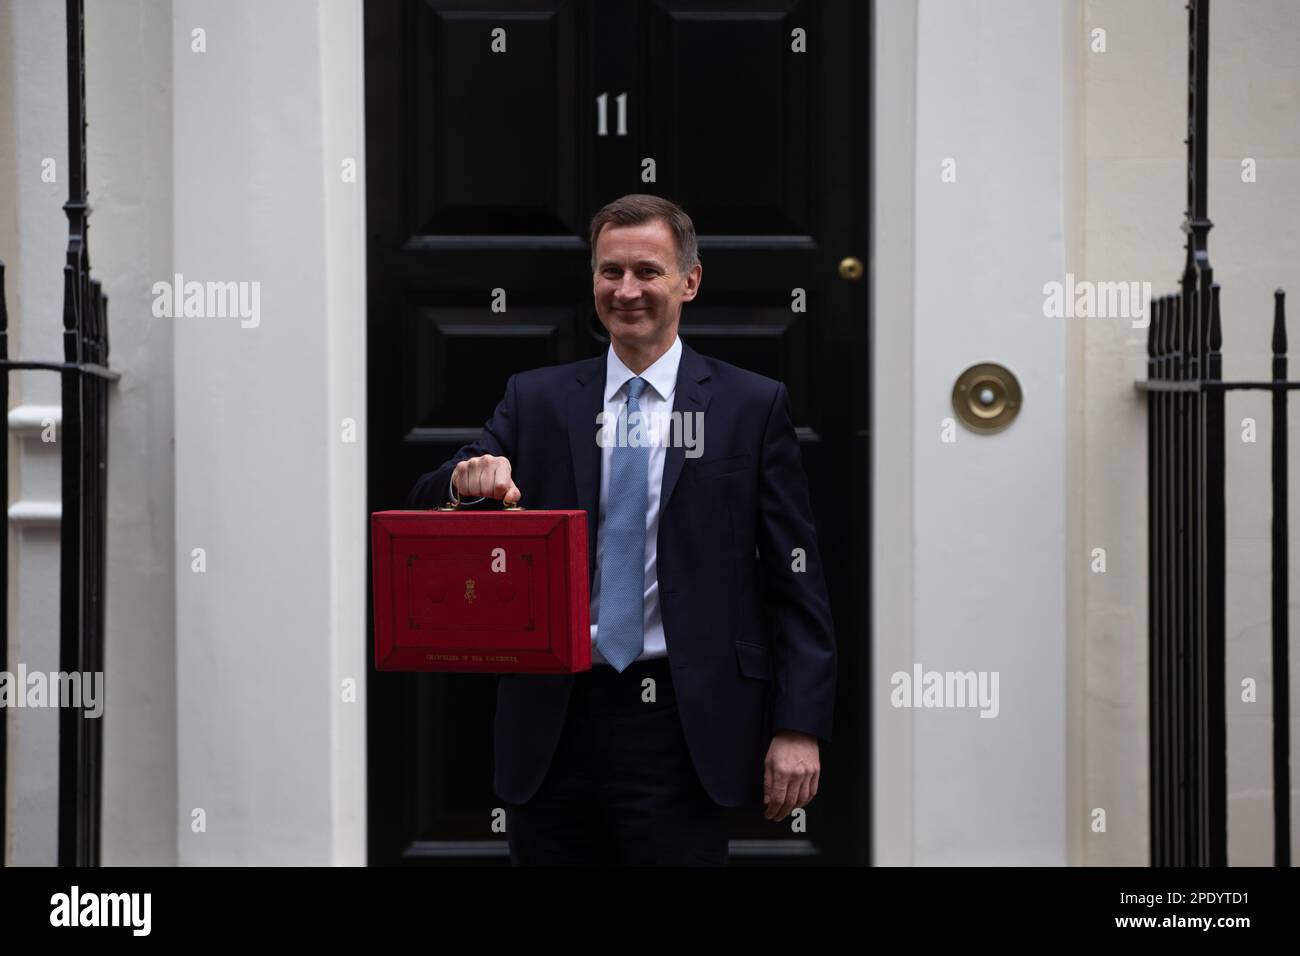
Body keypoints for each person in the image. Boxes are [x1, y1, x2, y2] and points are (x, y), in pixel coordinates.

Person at [406, 194, 837, 865]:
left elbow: (796, 575)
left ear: (689, 282)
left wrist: (799, 725)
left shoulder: (750, 408)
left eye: (647, 272)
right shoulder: (537, 399)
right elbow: (428, 502)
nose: (626, 290)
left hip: (685, 726)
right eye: (611, 272)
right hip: (553, 721)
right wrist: (465, 482)